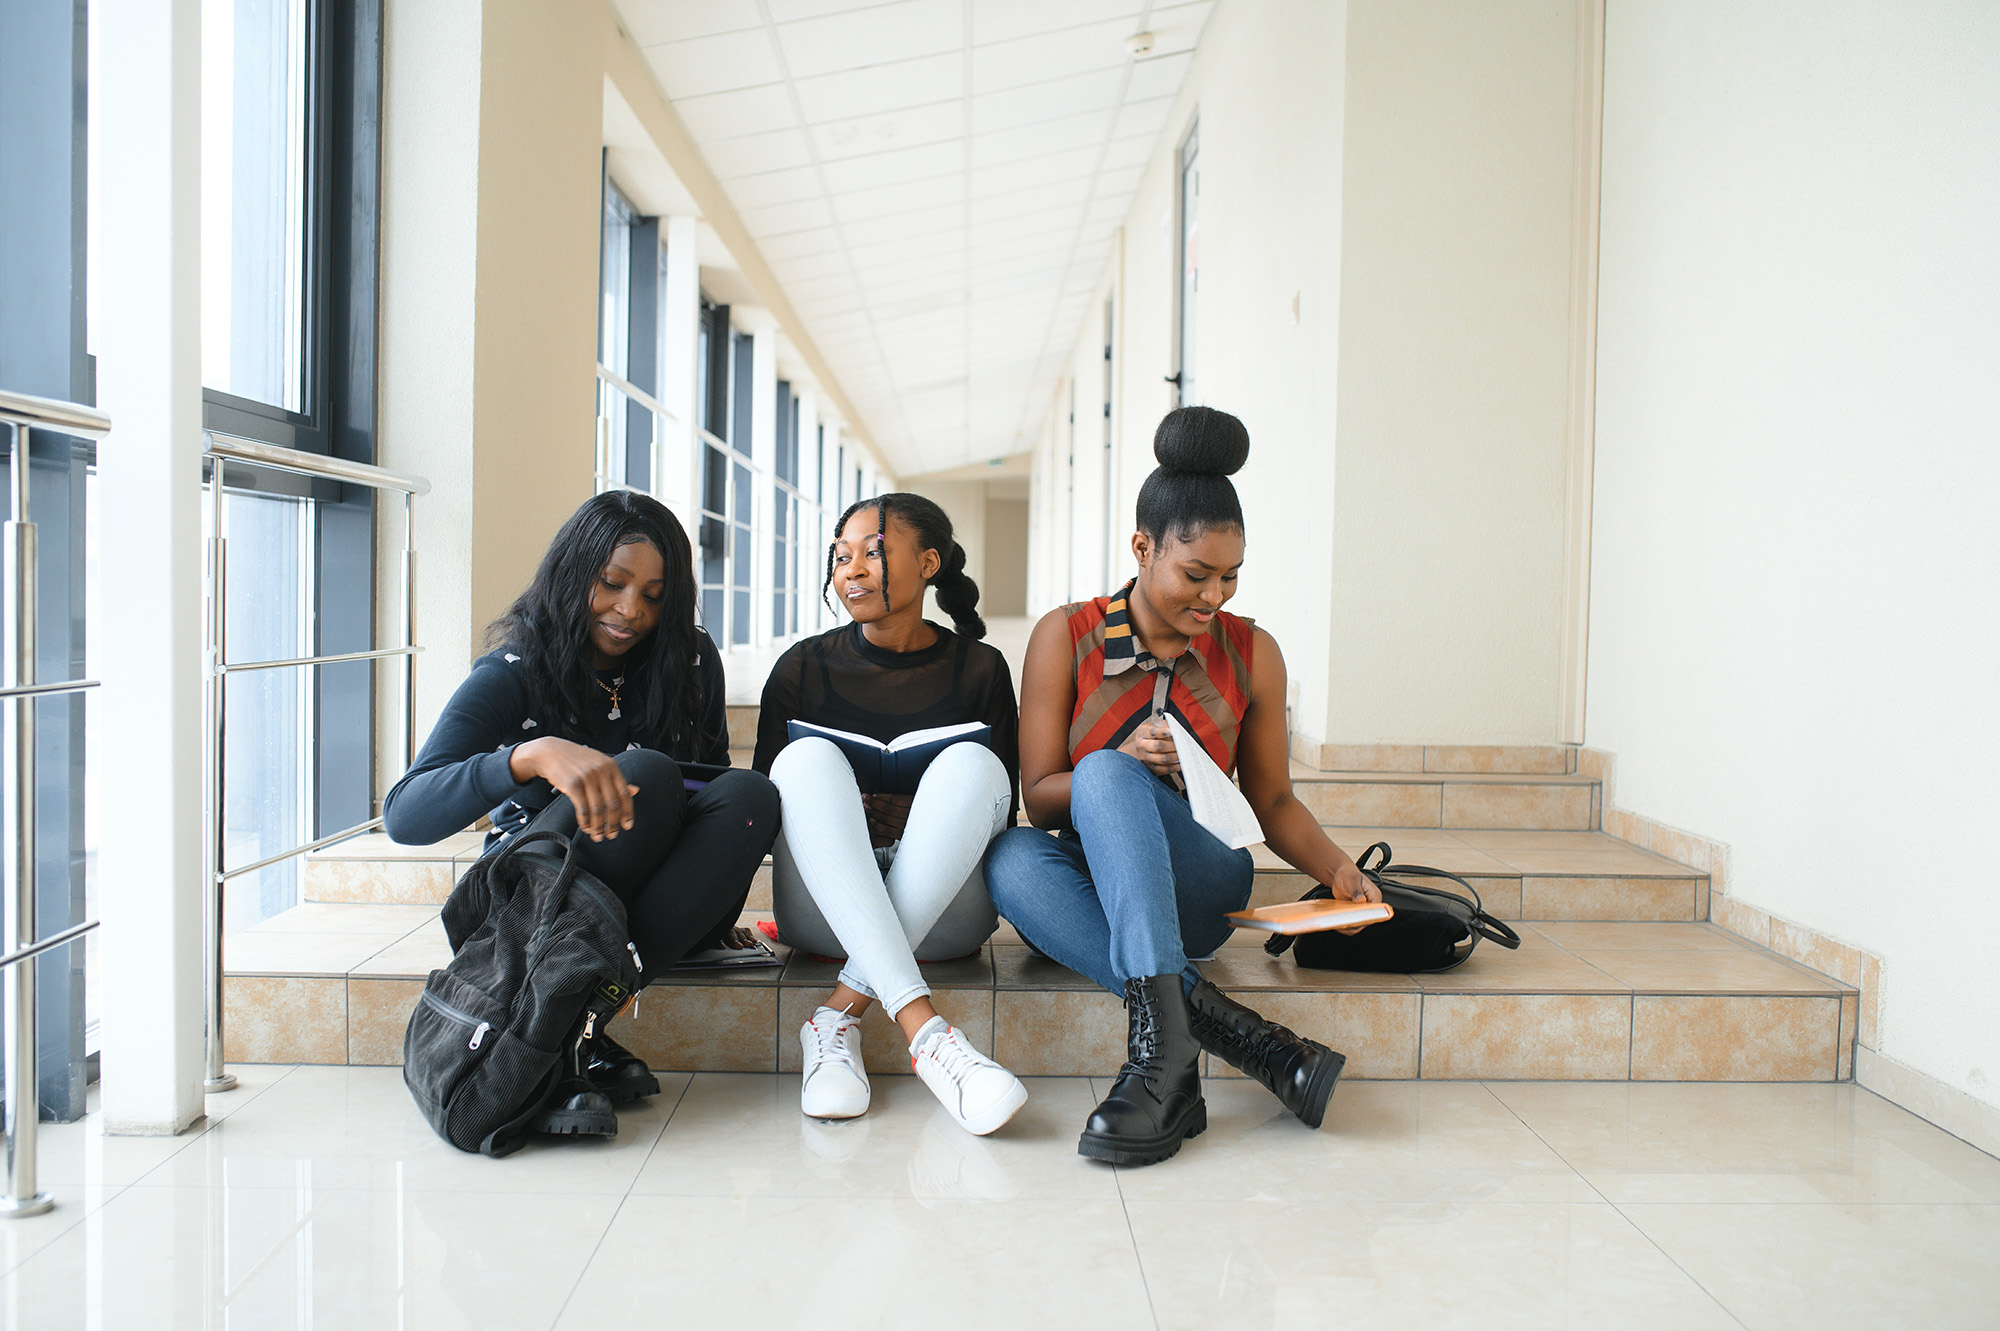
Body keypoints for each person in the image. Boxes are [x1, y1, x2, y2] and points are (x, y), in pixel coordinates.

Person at [983, 406, 1378, 1166]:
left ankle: (1159, 1064)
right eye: (1195, 575)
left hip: (1202, 878)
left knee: (1104, 771)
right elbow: (1039, 796)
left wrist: (1336, 869)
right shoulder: (1066, 636)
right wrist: (1122, 760)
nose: (1214, 596)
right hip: (1097, 878)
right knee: (1012, 858)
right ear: (1143, 548)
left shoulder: (1253, 652)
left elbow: (1273, 799)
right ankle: (1242, 1039)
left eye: (1230, 576)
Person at [384, 489, 778, 1135]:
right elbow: (406, 814)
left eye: (654, 595)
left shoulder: (690, 659)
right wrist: (528, 757)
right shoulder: (513, 670)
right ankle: (559, 1034)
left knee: (750, 794)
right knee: (647, 773)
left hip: (644, 897)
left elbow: (709, 788)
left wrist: (710, 898)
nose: (631, 610)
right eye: (612, 584)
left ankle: (576, 1025)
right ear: (573, 575)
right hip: (529, 911)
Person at [754, 493, 1027, 1136]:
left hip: (946, 921)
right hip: (823, 915)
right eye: (840, 556)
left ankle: (836, 1015)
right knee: (802, 762)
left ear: (928, 563)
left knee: (974, 766)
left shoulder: (981, 668)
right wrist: (843, 813)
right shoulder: (799, 669)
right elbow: (765, 818)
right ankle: (928, 1035)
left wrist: (917, 814)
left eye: (872, 553)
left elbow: (1001, 810)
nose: (851, 570)